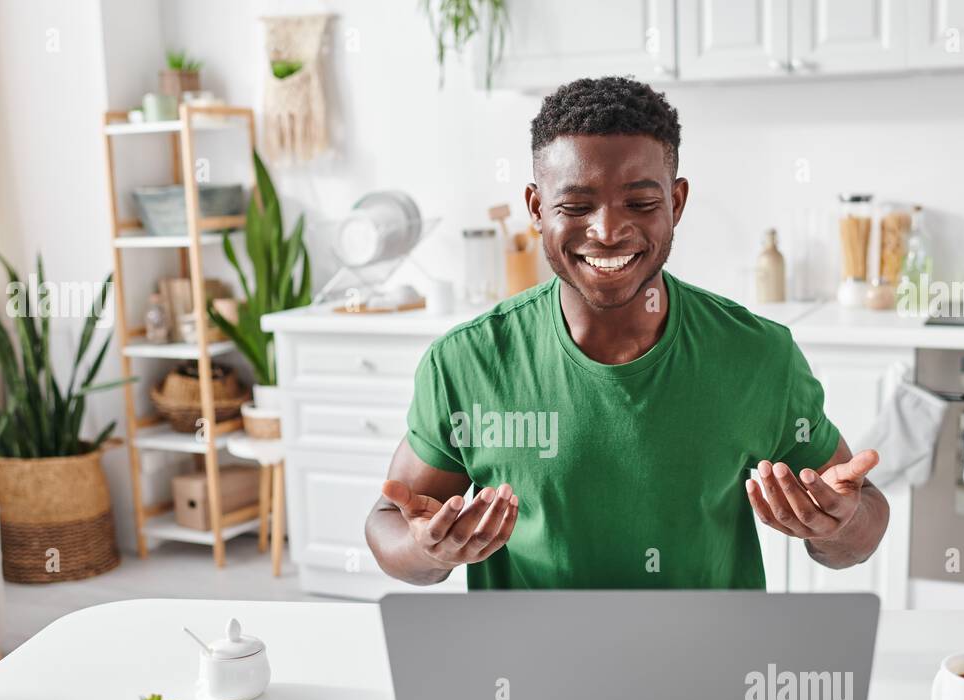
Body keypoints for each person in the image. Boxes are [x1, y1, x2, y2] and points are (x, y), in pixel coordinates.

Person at [365, 75, 888, 590]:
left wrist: (840, 525)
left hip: (706, 656)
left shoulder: (758, 354)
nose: (609, 231)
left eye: (640, 203)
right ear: (536, 208)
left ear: (676, 204)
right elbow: (391, 521)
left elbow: (862, 522)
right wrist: (425, 549)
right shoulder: (468, 361)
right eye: (574, 206)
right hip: (527, 663)